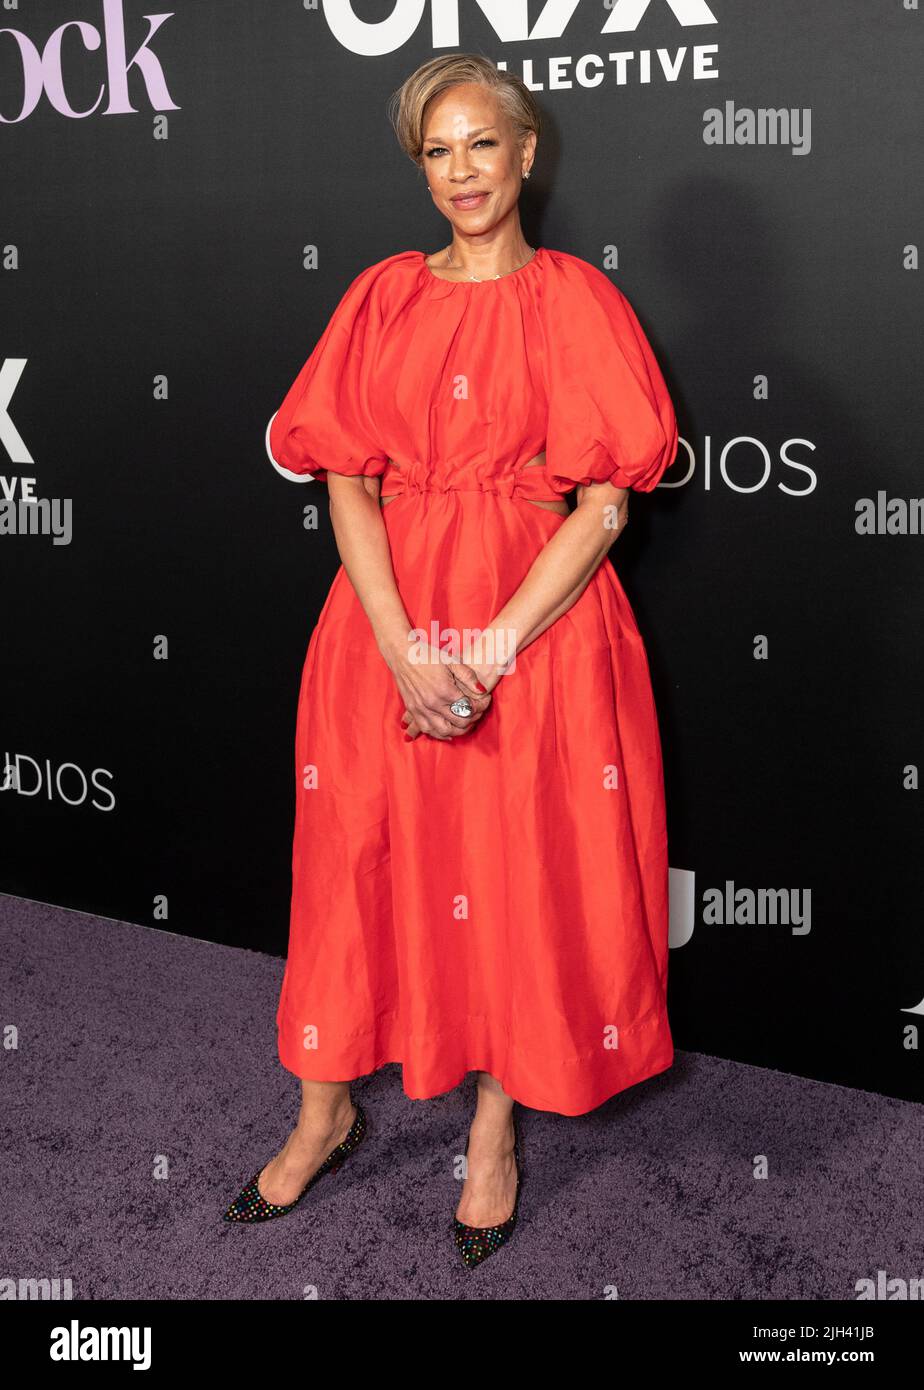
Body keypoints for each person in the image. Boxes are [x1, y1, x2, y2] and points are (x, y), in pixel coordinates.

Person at [224, 53, 679, 1269]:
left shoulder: (579, 301)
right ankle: (324, 1109)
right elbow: (346, 480)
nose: (462, 171)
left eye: (484, 144)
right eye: (438, 150)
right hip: (382, 629)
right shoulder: (380, 296)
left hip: (537, 633)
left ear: (528, 153)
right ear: (418, 166)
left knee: (511, 878)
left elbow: (603, 508)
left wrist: (483, 650)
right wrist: (399, 645)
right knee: (352, 863)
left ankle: (494, 1125)